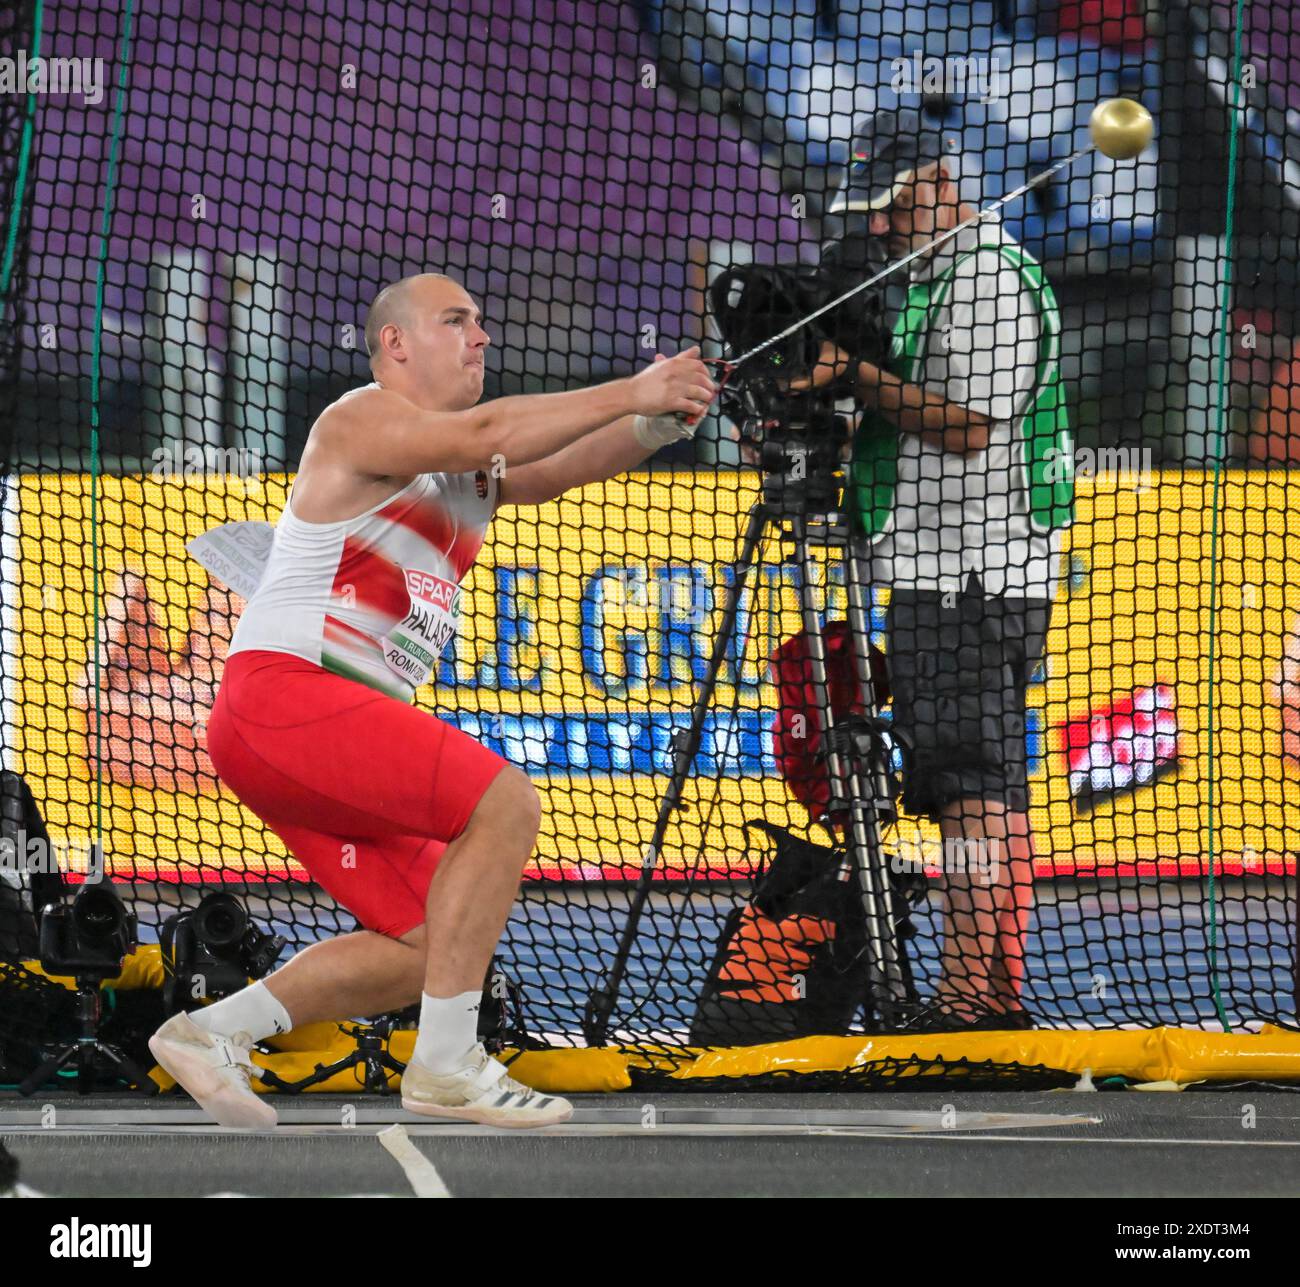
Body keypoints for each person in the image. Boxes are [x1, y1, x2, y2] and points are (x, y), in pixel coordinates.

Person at [149, 272, 717, 1127]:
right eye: (457, 321)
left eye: (482, 321)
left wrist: (647, 426)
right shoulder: (361, 415)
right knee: (506, 803)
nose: (481, 336)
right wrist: (634, 384)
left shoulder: (463, 468)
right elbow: (491, 430)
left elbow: (552, 470)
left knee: (431, 940)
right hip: (289, 696)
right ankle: (447, 1061)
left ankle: (208, 1032)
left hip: (300, 733)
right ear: (396, 345)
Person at [794, 109, 1075, 1028]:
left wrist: (854, 376)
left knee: (967, 793)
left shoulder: (988, 280)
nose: (879, 223)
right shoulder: (936, 274)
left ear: (944, 181)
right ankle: (987, 989)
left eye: (894, 204)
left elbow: (967, 425)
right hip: (948, 570)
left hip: (970, 574)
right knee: (977, 787)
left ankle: (968, 994)